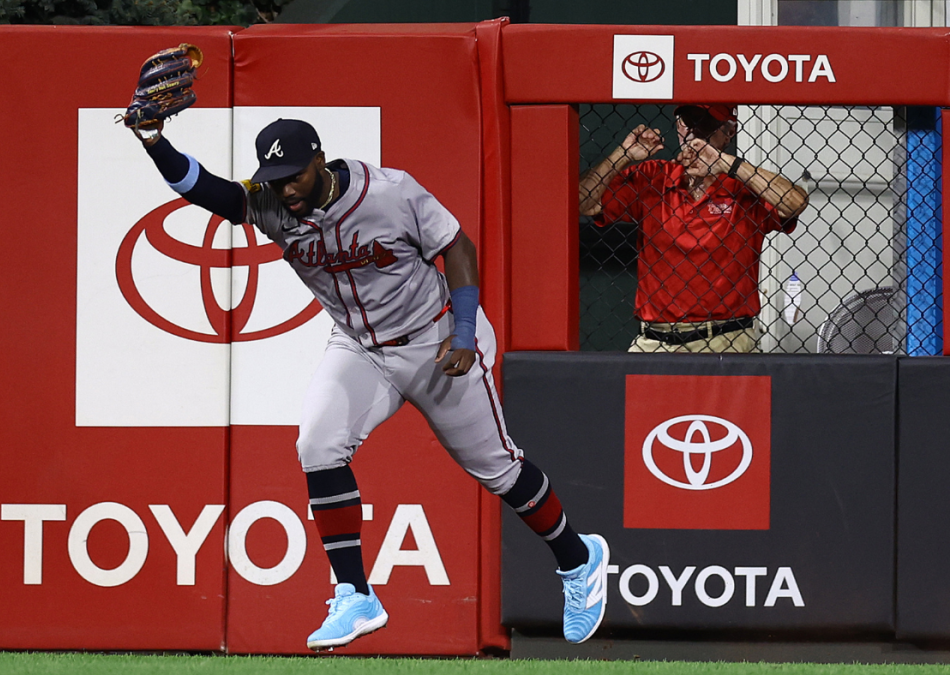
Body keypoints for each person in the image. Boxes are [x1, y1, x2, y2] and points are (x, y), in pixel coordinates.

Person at [135, 117, 609, 649]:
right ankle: (356, 593)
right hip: (358, 346)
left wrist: (464, 329)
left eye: (294, 175)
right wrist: (155, 141)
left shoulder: (389, 191)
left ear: (319, 161)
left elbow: (457, 248)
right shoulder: (271, 202)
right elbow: (205, 189)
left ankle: (577, 558)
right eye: (276, 177)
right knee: (316, 444)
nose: (286, 188)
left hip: (434, 340)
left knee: (498, 470)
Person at [578, 104, 810, 353]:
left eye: (708, 126)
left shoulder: (744, 186)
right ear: (679, 127)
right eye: (690, 122)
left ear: (729, 133)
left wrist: (726, 164)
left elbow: (795, 204)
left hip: (726, 338)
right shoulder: (652, 176)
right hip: (656, 340)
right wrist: (623, 154)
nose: (696, 134)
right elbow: (583, 202)